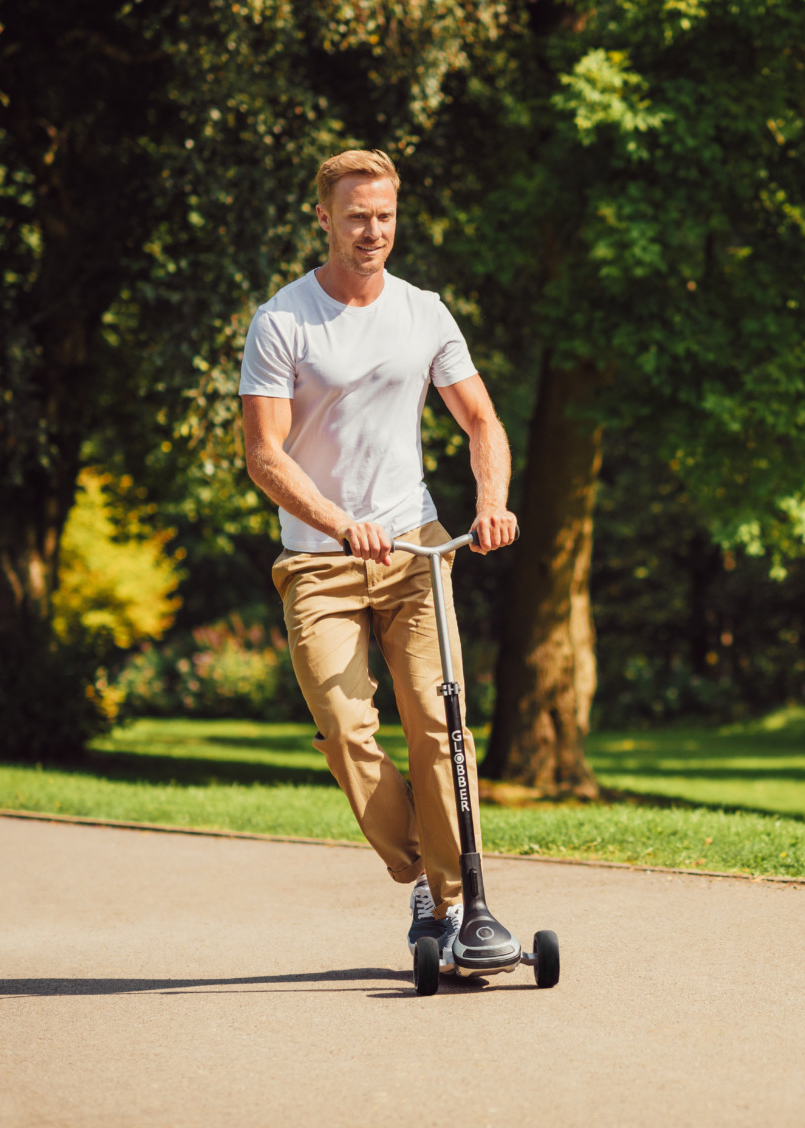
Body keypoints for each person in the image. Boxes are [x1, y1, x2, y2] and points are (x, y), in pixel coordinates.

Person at [239, 149, 519, 966]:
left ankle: (459, 908)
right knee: (343, 728)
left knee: (440, 722)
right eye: (357, 216)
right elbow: (264, 453)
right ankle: (426, 873)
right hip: (318, 561)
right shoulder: (282, 322)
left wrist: (492, 502)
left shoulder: (424, 313)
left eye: (385, 216)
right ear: (323, 218)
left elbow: (482, 421)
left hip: (416, 550)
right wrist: (338, 522)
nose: (373, 231)